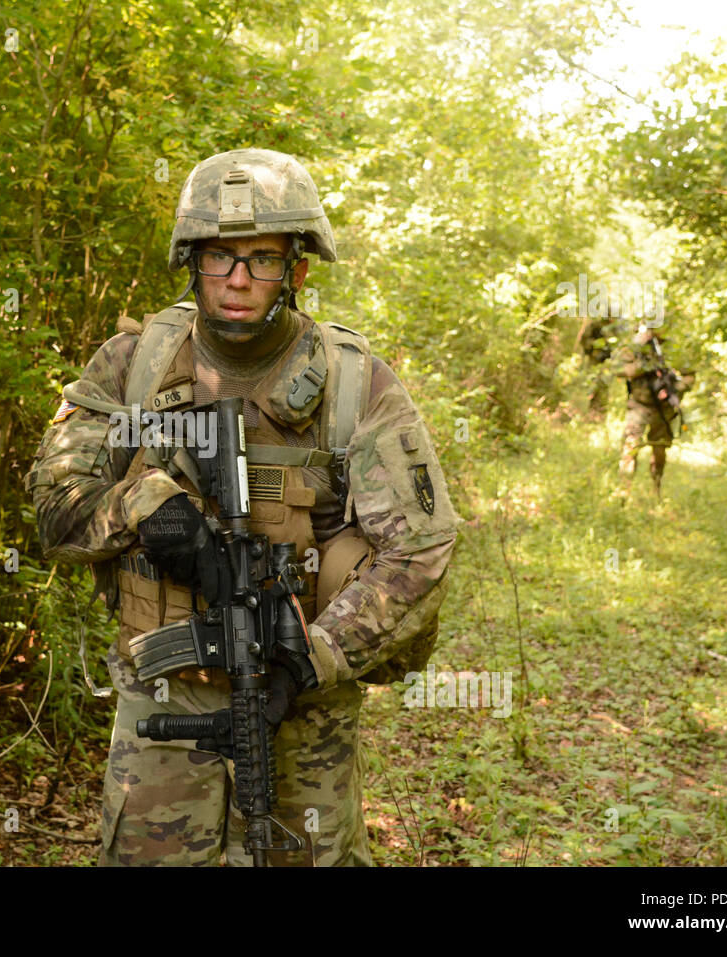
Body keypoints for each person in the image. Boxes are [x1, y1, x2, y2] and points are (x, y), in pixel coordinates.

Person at [23, 149, 459, 866]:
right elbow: (56, 512)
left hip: (303, 713)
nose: (237, 279)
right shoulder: (131, 365)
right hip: (164, 704)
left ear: (298, 269)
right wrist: (147, 504)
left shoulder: (356, 385)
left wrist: (313, 657)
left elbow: (424, 548)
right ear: (191, 261)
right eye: (221, 257)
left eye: (262, 259)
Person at [614, 323, 686, 497]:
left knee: (659, 451)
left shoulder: (672, 348)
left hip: (663, 410)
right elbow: (618, 369)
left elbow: (688, 375)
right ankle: (624, 490)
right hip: (639, 406)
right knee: (630, 448)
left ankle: (656, 489)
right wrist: (641, 364)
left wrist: (673, 389)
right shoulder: (633, 347)